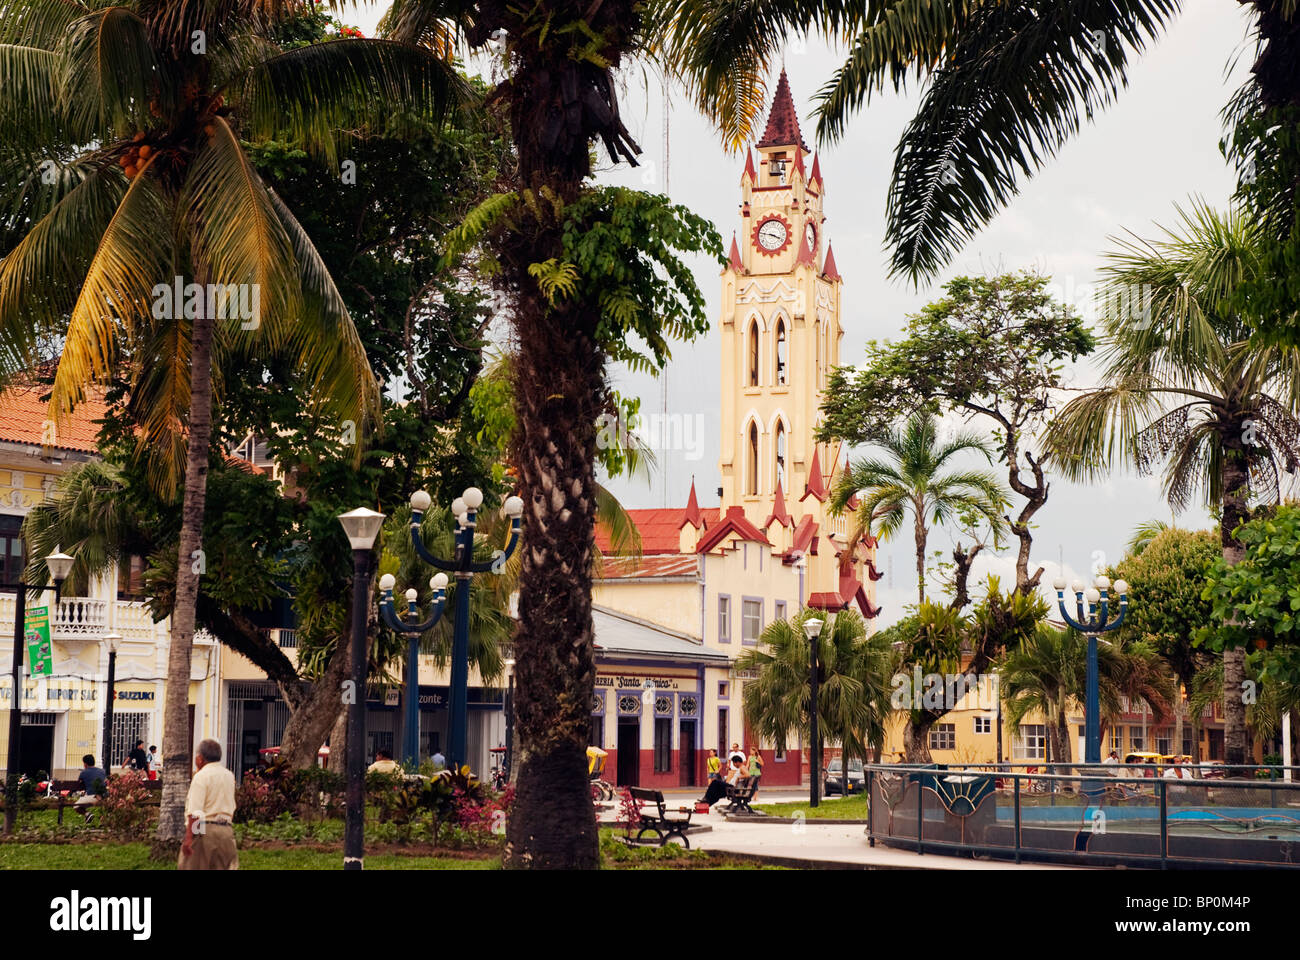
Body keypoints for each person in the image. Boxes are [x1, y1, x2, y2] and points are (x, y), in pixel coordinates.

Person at [179, 739, 238, 870]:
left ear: (200, 758)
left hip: (204, 830)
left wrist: (189, 839)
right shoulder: (228, 775)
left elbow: (196, 812)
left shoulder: (201, 776)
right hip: (226, 830)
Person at [74, 755, 107, 823]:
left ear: (85, 764)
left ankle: (87, 814)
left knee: (76, 806)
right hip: (104, 797)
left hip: (92, 797)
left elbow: (79, 785)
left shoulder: (83, 772)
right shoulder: (102, 771)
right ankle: (98, 818)